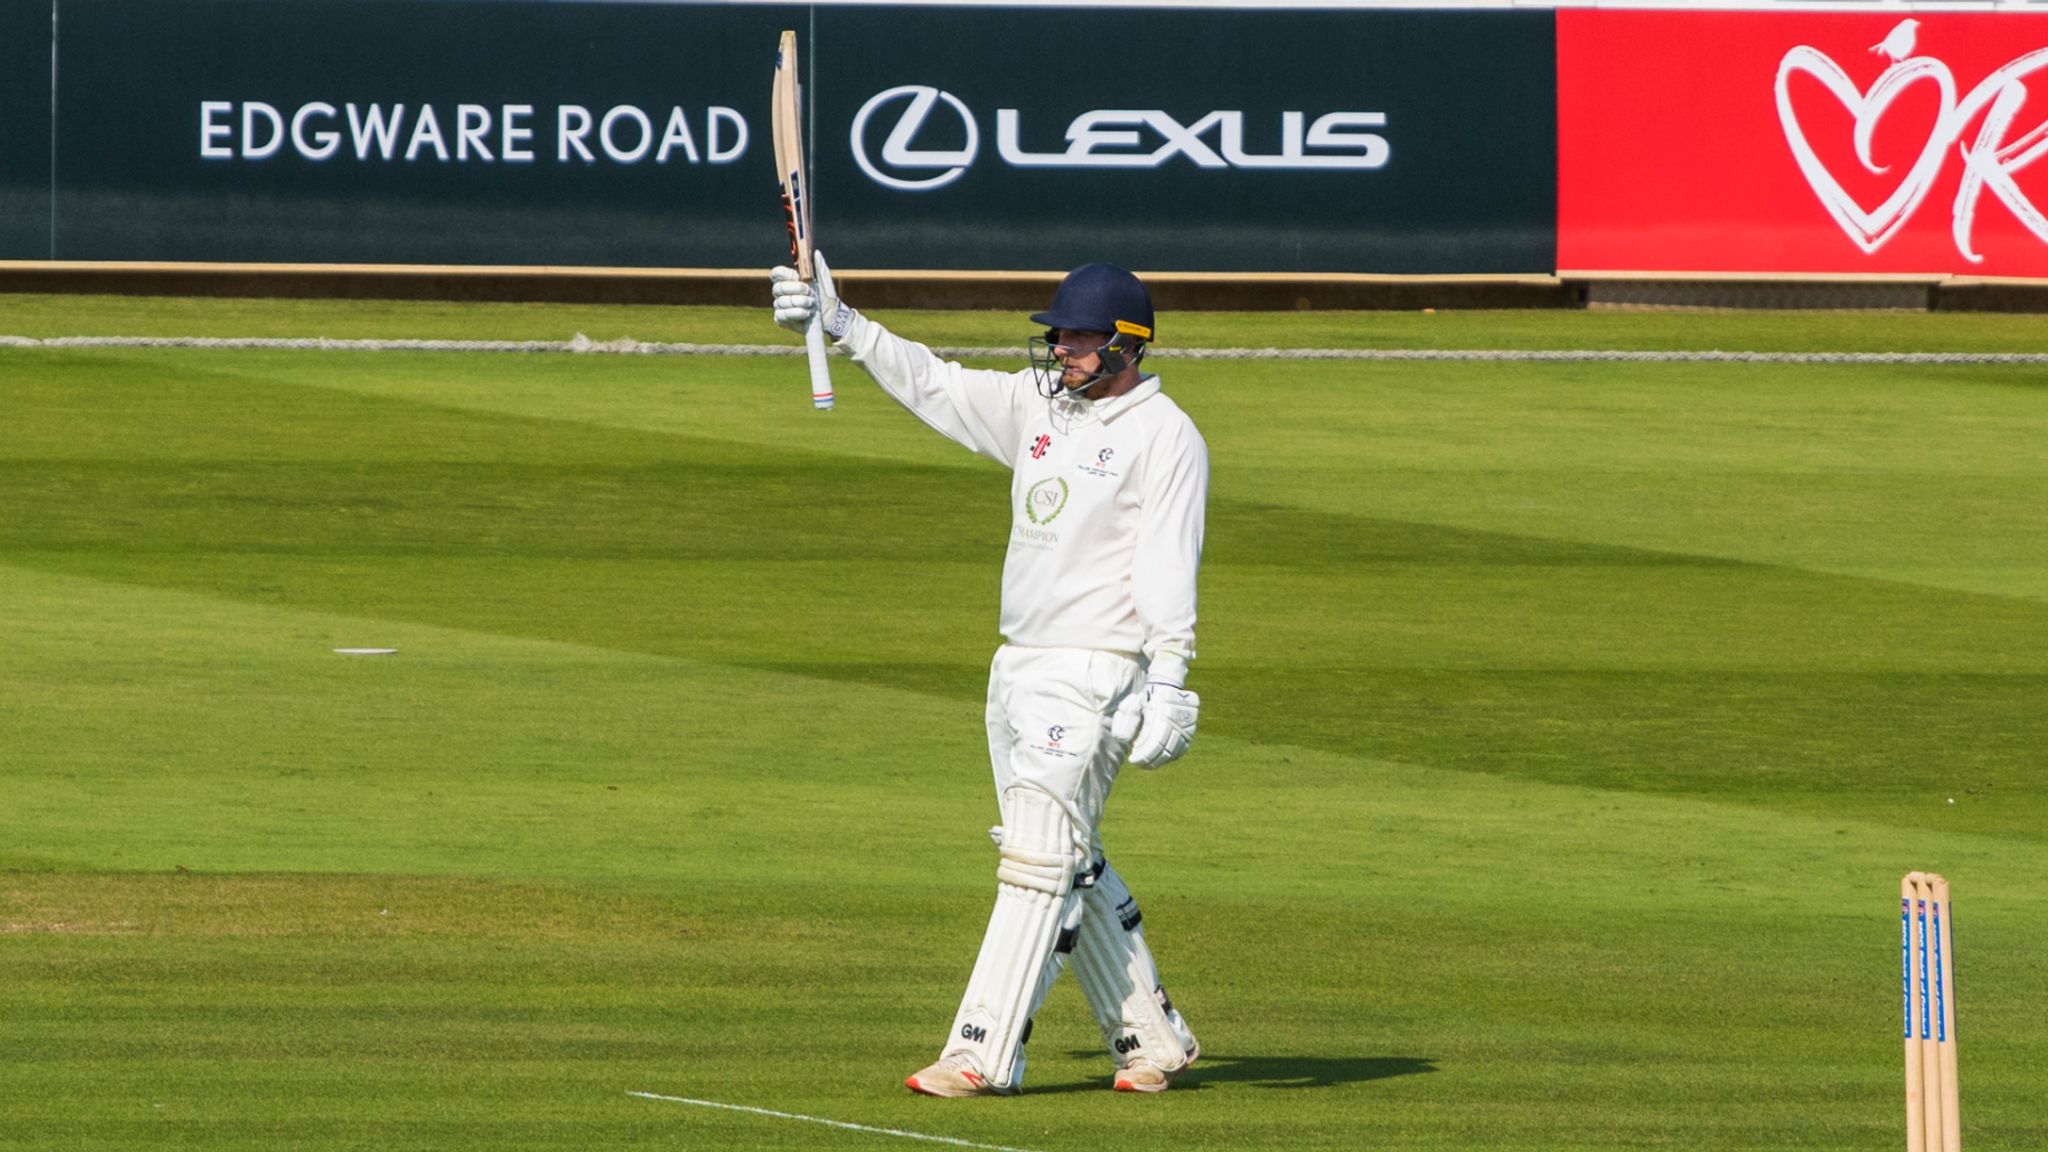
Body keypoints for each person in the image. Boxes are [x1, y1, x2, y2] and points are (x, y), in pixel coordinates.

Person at [771, 256, 1208, 1096]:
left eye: (1080, 336)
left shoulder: (1166, 436)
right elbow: (938, 385)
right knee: (1067, 858)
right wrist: (843, 322)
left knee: (1038, 864)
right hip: (1017, 664)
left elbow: (1167, 564)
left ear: (1128, 344)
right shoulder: (1040, 409)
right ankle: (1151, 1039)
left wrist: (1170, 676)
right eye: (1059, 335)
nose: (1064, 349)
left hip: (1096, 670)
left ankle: (983, 1051)